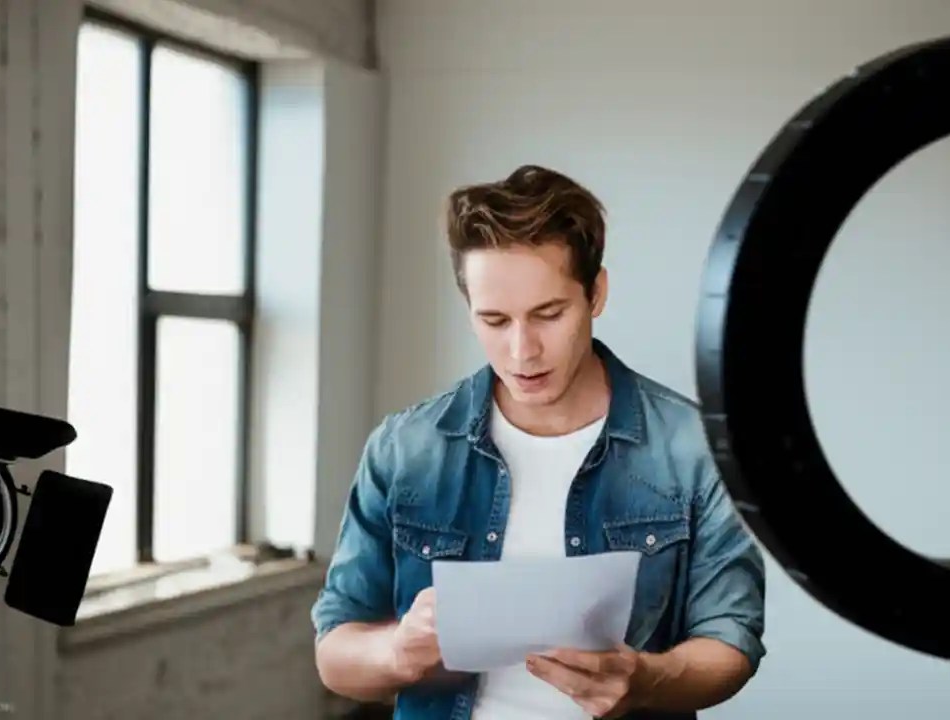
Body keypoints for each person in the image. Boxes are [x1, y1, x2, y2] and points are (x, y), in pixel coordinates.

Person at [310, 164, 765, 720]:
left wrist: (648, 680)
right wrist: (398, 651)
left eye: (548, 314)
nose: (522, 352)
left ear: (595, 293)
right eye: (494, 321)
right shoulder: (406, 448)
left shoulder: (691, 447)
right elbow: (334, 653)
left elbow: (732, 639)